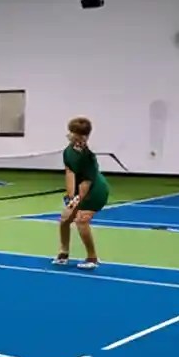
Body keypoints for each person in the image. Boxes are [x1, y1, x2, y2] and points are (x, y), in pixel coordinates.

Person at [56, 116, 110, 270]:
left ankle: (92, 258)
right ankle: (63, 254)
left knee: (81, 220)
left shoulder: (87, 157)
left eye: (73, 133)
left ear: (82, 136)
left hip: (96, 191)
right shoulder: (68, 151)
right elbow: (69, 173)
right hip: (81, 188)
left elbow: (86, 182)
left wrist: (78, 199)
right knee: (65, 219)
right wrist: (70, 197)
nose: (70, 135)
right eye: (71, 131)